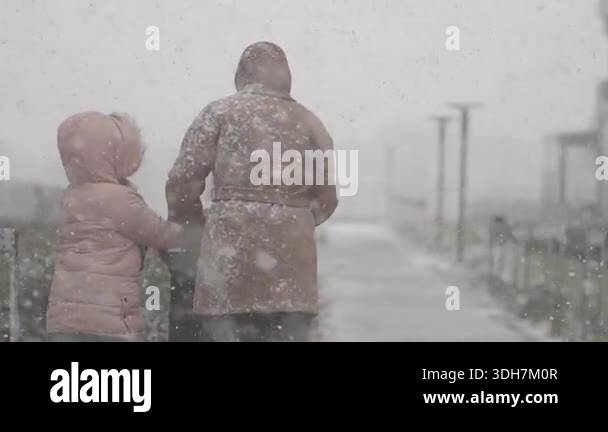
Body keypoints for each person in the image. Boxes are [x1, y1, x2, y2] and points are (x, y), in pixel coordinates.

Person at [166, 41, 338, 342]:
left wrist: (194, 222)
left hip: (230, 254)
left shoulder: (218, 113)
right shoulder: (309, 123)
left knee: (225, 330)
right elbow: (326, 198)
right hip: (292, 268)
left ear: (241, 76)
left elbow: (183, 181)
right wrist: (292, 219)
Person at [46, 112, 185, 342]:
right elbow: (160, 234)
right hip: (111, 319)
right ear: (114, 156)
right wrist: (195, 227)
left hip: (65, 317)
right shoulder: (119, 200)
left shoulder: (69, 197)